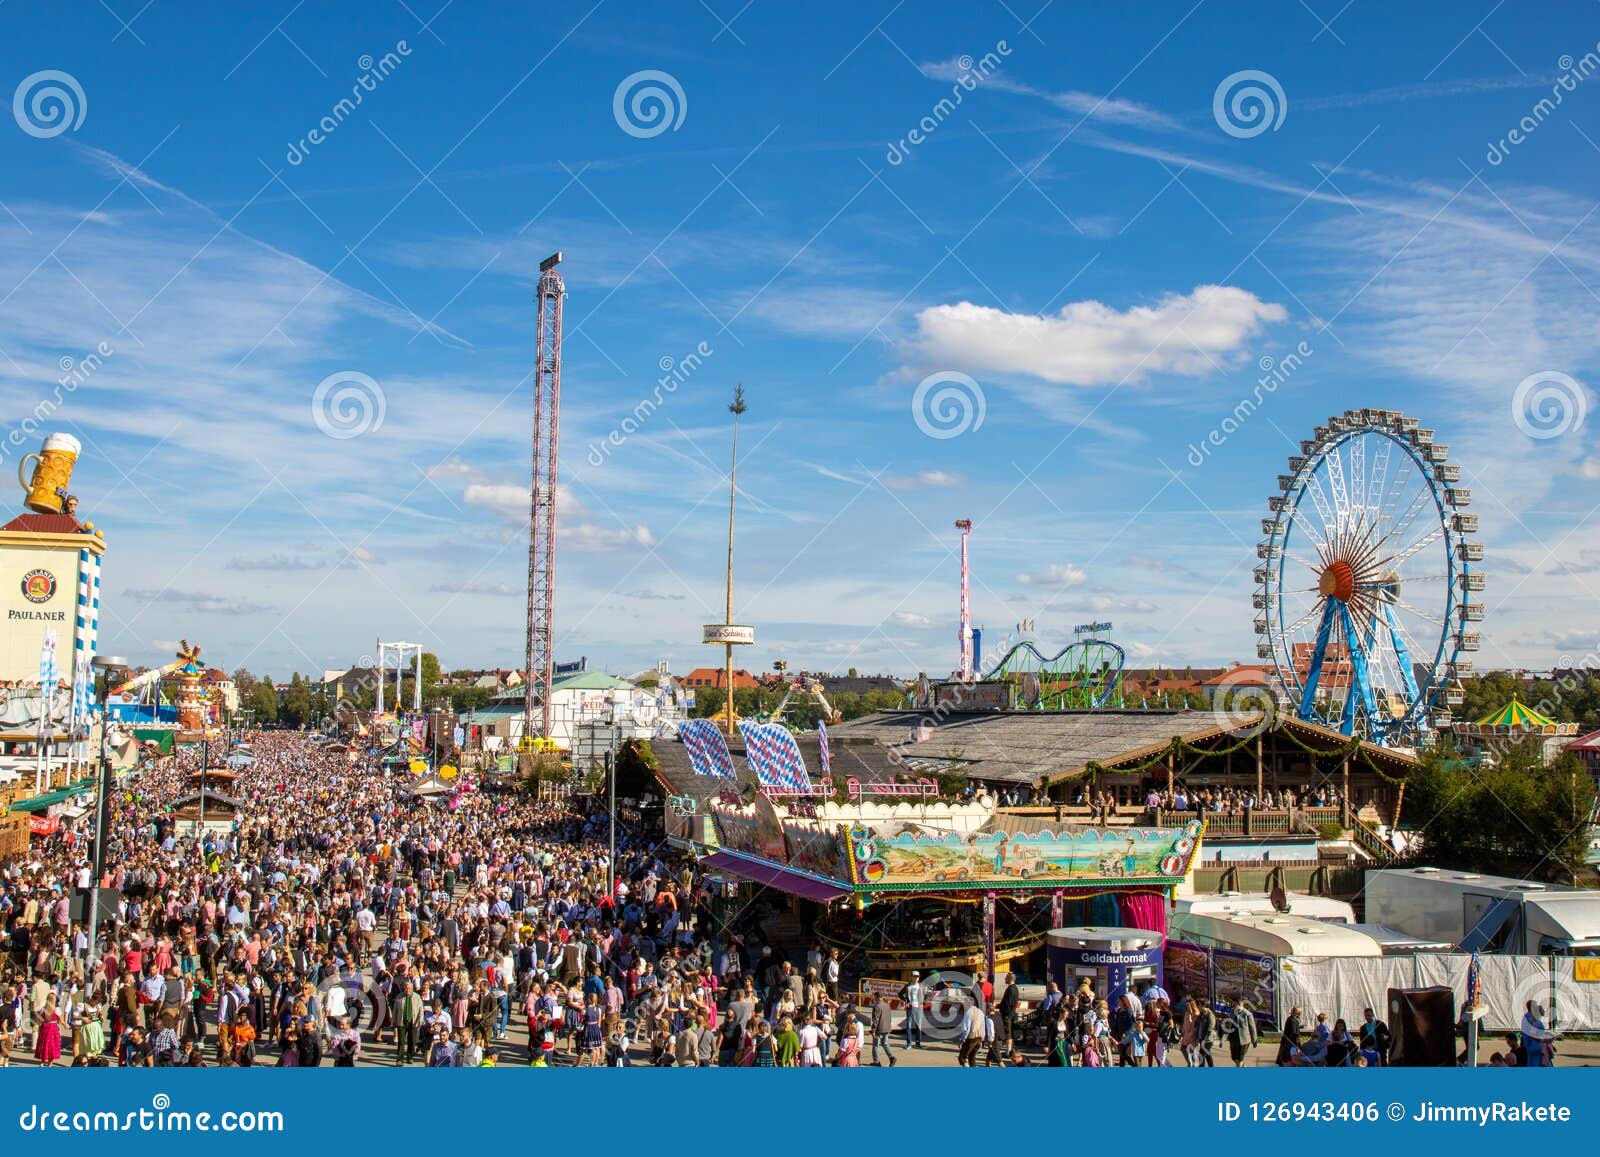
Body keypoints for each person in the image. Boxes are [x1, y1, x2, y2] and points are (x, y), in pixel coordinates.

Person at [1520, 1001, 1555, 1067]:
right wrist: (1545, 1039)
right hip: (1534, 1046)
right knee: (1536, 1064)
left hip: (1532, 1045)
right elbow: (1534, 1034)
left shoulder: (1529, 1017)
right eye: (1535, 1006)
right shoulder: (1531, 1019)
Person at [870, 994, 897, 1067]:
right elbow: (889, 1017)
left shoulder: (877, 1006)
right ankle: (892, 1057)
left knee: (875, 1045)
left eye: (874, 997)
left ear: (876, 997)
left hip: (879, 1029)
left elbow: (875, 1019)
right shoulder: (887, 1005)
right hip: (886, 1028)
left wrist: (873, 1030)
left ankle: (876, 1061)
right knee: (885, 1043)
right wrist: (889, 1027)